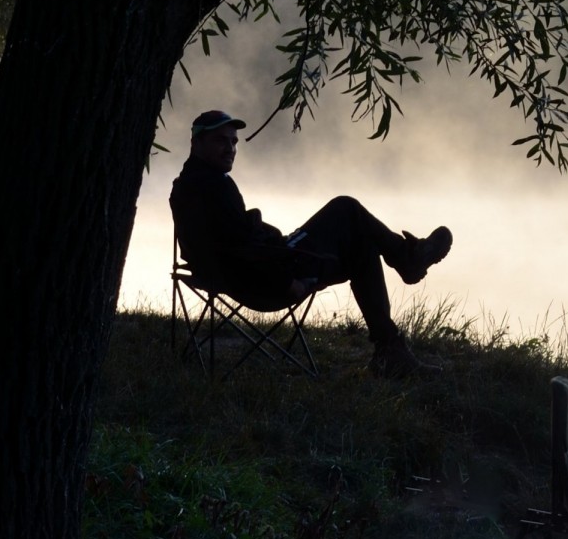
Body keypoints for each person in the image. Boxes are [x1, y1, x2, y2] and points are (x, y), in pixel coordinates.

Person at [169, 109, 452, 378]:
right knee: (345, 208)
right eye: (221, 141)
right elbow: (244, 251)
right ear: (197, 142)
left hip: (246, 272)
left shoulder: (188, 184)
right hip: (269, 277)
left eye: (233, 142)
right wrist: (286, 283)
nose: (230, 148)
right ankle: (408, 264)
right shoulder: (212, 187)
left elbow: (230, 245)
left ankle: (391, 349)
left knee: (361, 247)